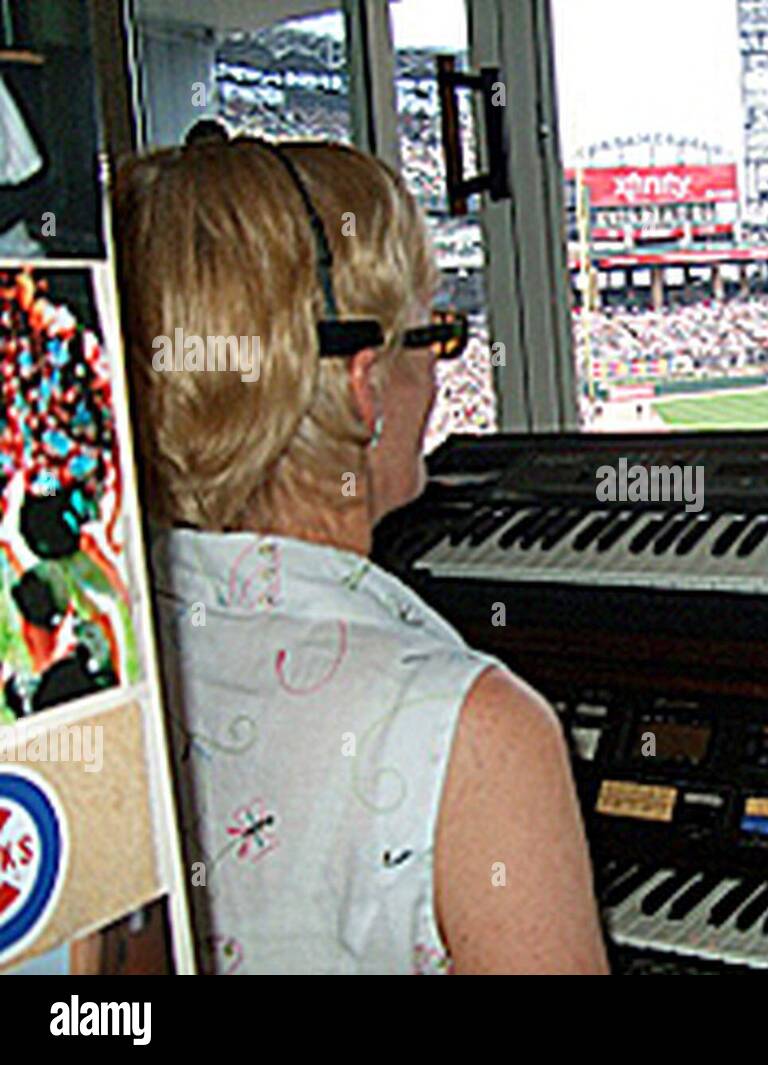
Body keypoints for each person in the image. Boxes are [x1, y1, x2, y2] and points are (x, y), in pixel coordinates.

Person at [112, 127, 608, 974]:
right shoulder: (478, 733)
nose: (440, 376)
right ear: (362, 382)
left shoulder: (98, 657)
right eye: (432, 335)